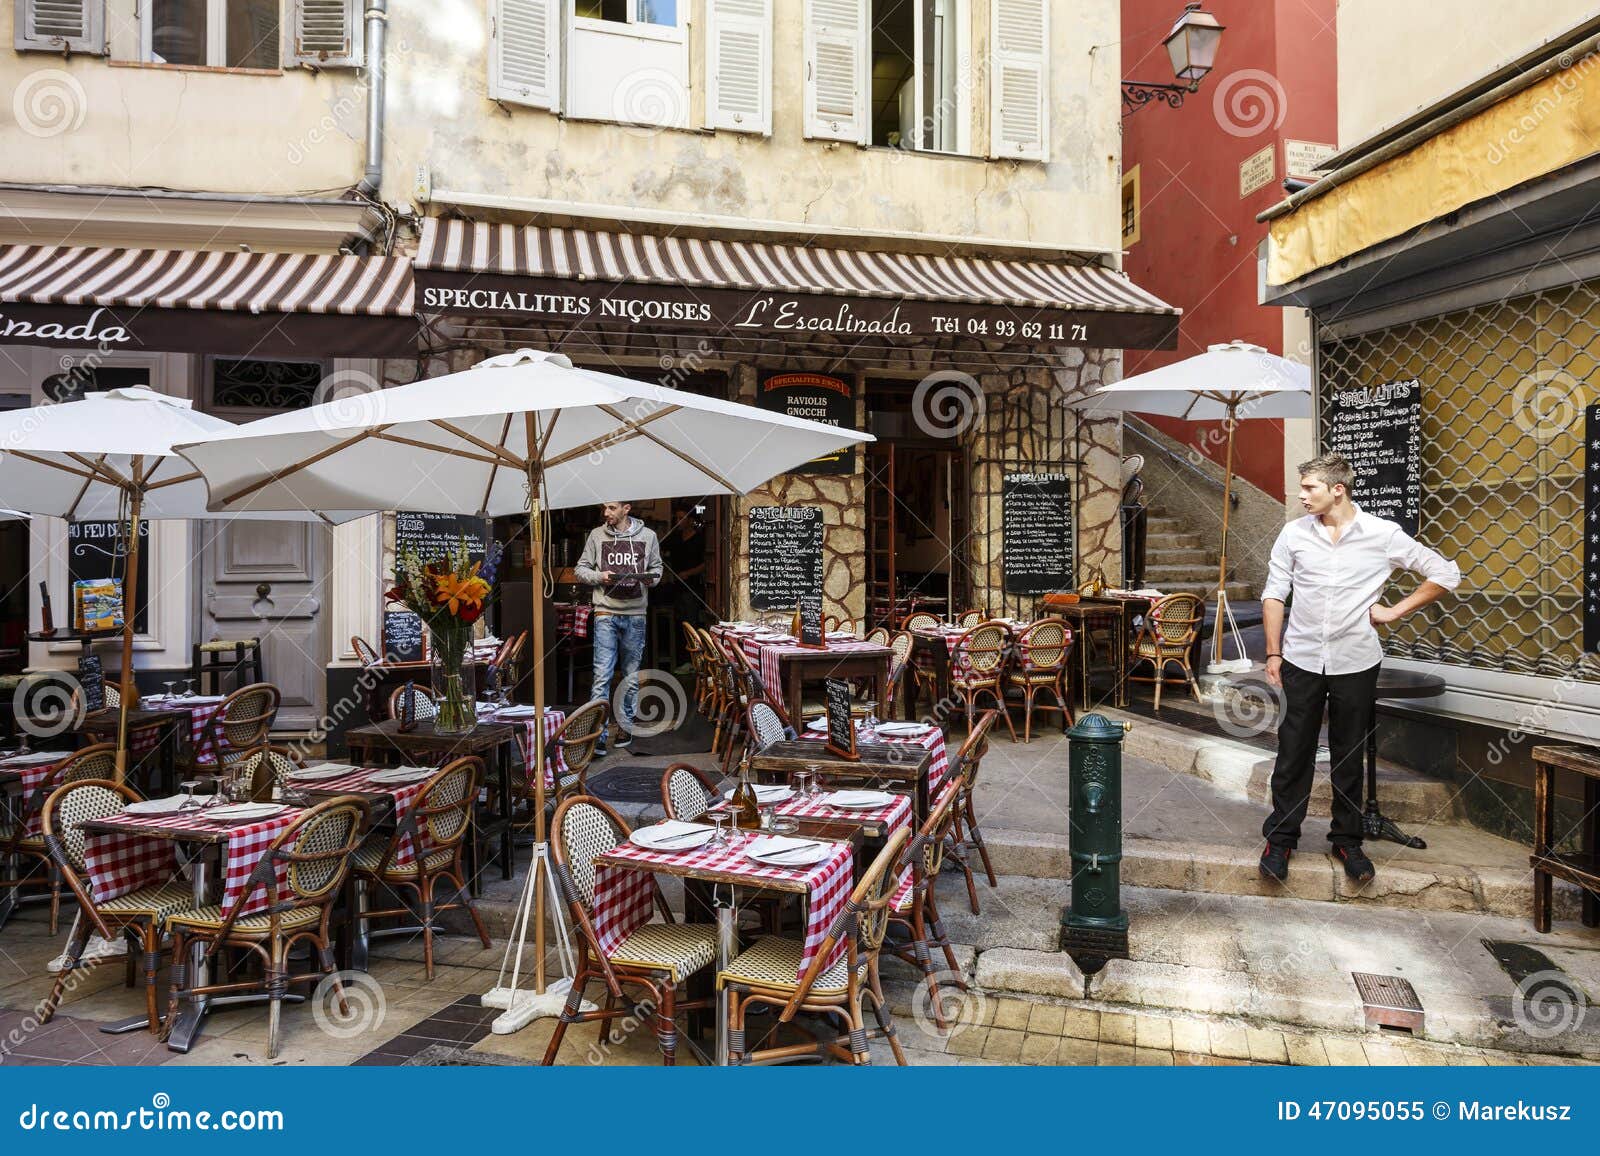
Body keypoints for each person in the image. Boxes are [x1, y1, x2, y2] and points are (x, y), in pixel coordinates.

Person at [1258, 453, 1460, 886]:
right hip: (1301, 658)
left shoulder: (1383, 535)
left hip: (1356, 661)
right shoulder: (1293, 534)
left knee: (1349, 753)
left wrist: (1394, 612)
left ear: (1337, 489)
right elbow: (1274, 593)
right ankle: (1281, 839)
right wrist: (1273, 654)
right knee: (1294, 751)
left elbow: (1445, 572)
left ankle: (1347, 840)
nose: (1301, 495)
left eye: (1309, 487)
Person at [574, 500, 662, 755]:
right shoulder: (596, 535)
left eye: (612, 508)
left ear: (627, 508)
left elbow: (657, 570)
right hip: (605, 613)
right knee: (601, 676)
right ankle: (598, 734)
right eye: (604, 508)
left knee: (631, 676)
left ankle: (624, 726)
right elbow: (580, 569)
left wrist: (650, 579)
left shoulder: (648, 537)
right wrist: (598, 576)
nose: (606, 513)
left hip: (635, 615)